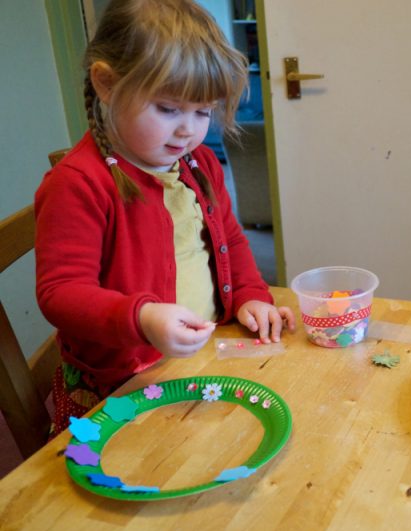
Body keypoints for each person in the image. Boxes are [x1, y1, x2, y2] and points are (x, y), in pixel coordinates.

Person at [35, 0, 295, 433]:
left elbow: (230, 237)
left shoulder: (199, 164)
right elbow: (61, 293)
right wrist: (141, 317)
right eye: (169, 109)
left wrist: (251, 293)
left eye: (203, 112)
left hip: (200, 360)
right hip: (121, 384)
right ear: (106, 84)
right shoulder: (78, 183)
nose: (188, 130)